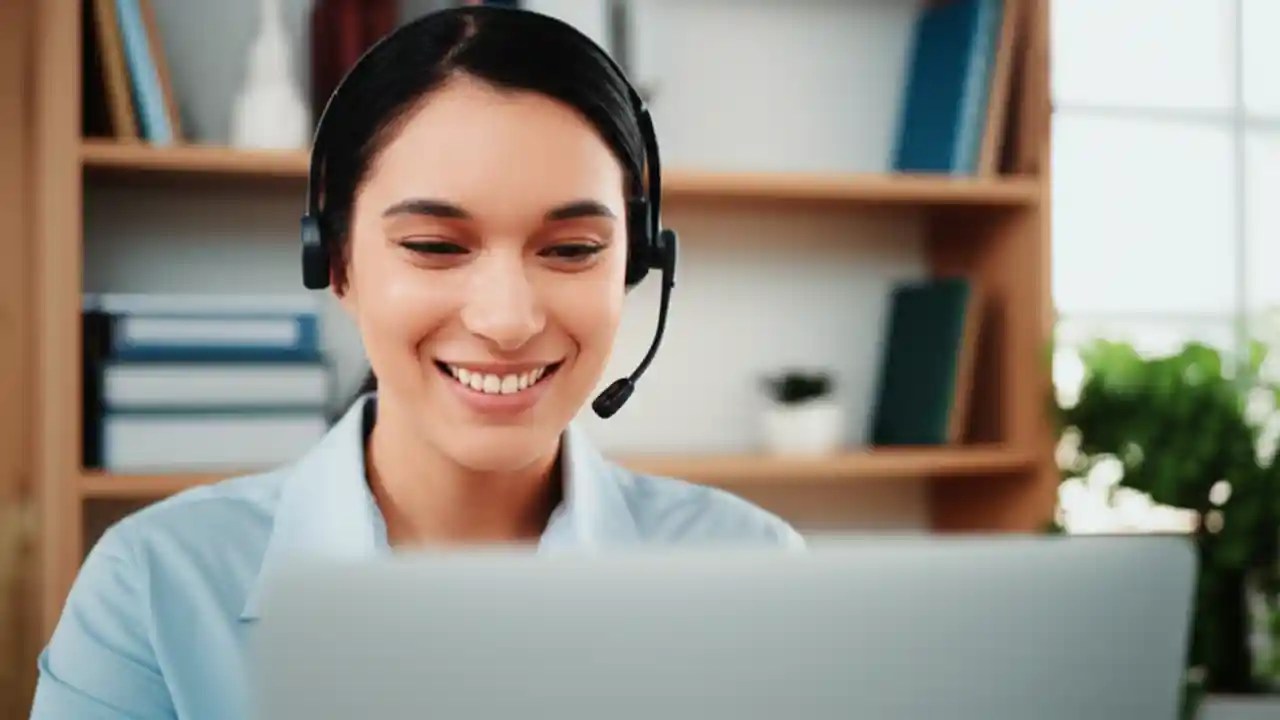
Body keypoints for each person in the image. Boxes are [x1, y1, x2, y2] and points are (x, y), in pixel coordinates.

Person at [30, 6, 801, 719]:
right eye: (435, 247)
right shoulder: (156, 587)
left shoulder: (755, 573)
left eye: (572, 250)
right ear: (335, 264)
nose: (507, 320)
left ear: (635, 266)